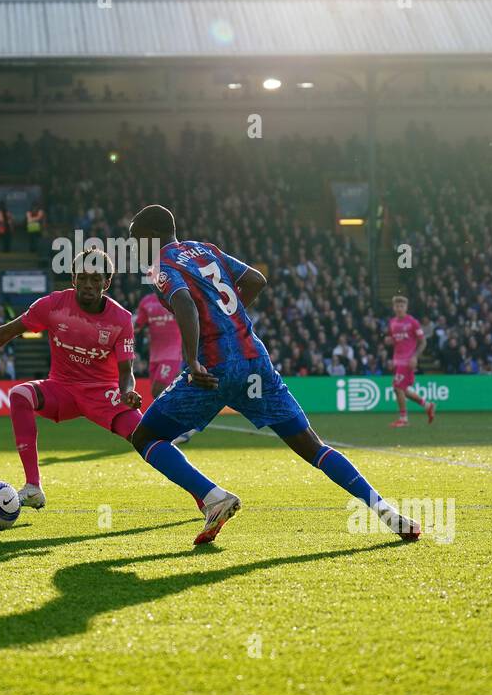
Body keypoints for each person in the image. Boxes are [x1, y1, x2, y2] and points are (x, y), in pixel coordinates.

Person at [124, 204, 421, 545]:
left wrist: (192, 359)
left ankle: (212, 497)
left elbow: (185, 302)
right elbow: (255, 279)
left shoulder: (161, 263)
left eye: (135, 241)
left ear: (149, 236)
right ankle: (387, 512)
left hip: (214, 367)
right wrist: (228, 319)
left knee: (145, 436)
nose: (134, 249)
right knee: (314, 447)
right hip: (255, 360)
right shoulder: (206, 250)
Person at [0, 249, 140, 511]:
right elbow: (7, 332)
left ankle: (204, 497)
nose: (88, 284)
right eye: (82, 277)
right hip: (61, 389)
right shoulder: (52, 305)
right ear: (73, 278)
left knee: (148, 438)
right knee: (20, 394)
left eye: (95, 279)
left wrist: (128, 391)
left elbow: (126, 371)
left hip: (102, 393)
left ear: (107, 282)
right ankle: (33, 487)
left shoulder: (121, 319)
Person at [134, 288, 196, 444]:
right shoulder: (146, 302)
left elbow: (190, 320)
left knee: (158, 389)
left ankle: (183, 426)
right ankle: (184, 424)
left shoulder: (176, 298)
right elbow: (137, 326)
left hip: (172, 354)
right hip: (154, 356)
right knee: (158, 394)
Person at [386, 295, 435, 428]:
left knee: (397, 387)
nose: (399, 308)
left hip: (408, 361)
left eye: (402, 306)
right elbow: (395, 340)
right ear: (394, 307)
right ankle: (427, 405)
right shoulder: (392, 322)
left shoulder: (412, 322)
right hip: (397, 360)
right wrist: (390, 341)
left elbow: (423, 341)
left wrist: (415, 356)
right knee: (403, 390)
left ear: (406, 307)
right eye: (397, 306)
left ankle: (403, 418)